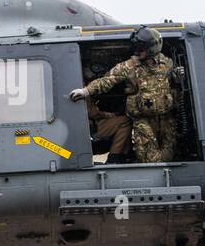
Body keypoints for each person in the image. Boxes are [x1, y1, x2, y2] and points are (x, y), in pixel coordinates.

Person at [70, 26, 177, 163]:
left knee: (170, 155)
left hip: (165, 118)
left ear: (151, 48)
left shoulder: (167, 64)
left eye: (141, 49)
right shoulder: (130, 66)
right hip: (143, 120)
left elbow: (175, 84)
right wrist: (85, 91)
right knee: (151, 160)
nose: (137, 52)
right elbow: (107, 80)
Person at [85, 94, 132, 163]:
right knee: (125, 121)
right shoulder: (79, 90)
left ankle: (119, 157)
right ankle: (114, 158)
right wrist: (107, 115)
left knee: (67, 154)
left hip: (75, 145)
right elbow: (91, 112)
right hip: (86, 134)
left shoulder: (65, 90)